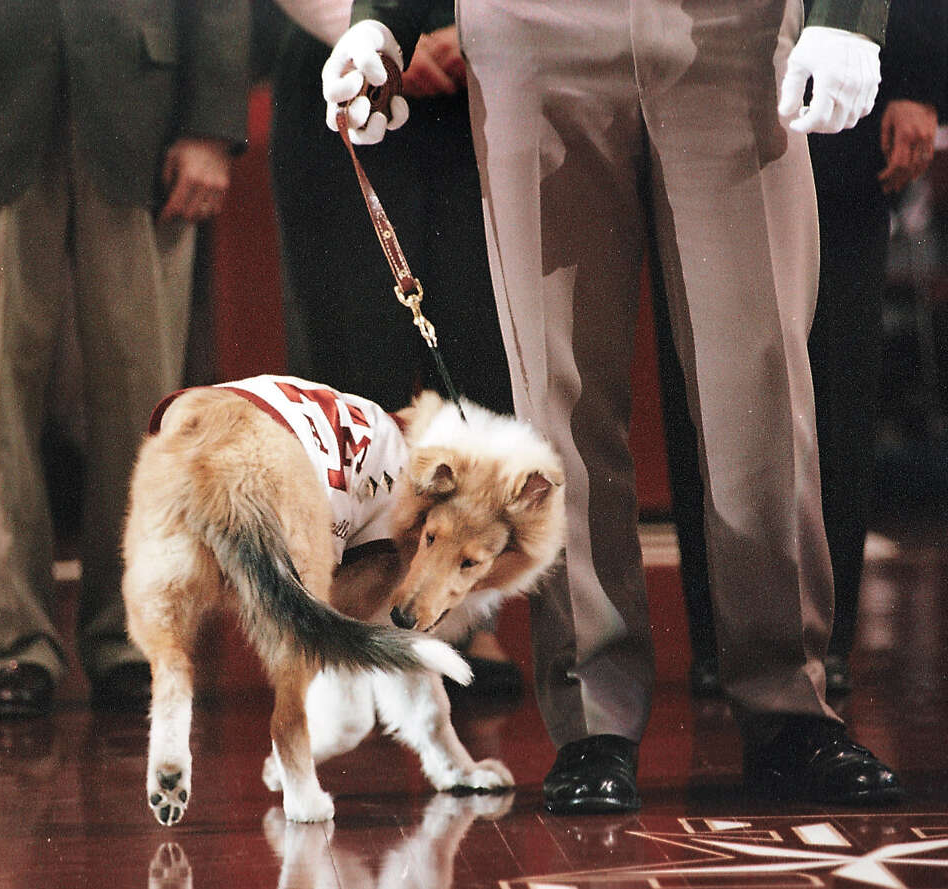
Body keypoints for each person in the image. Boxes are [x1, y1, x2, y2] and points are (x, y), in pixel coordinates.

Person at [322, 0, 903, 810]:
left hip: (731, 30)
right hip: (531, 30)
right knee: (555, 397)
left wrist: (850, 14)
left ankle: (787, 704)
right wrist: (384, 15)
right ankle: (592, 713)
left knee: (761, 388)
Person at [0, 0, 250, 719]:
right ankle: (10, 639)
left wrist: (211, 120)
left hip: (146, 101)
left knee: (147, 399)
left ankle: (138, 631)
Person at [655, 0, 947, 699]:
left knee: (835, 379)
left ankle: (827, 634)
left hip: (846, 100)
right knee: (699, 372)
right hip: (700, 74)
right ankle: (716, 637)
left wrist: (915, 82)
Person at [269, 0, 521, 695]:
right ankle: (347, 622)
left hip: (486, 81)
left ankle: (470, 623)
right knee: (349, 378)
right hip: (341, 80)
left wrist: (475, 34)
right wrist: (381, 39)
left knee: (482, 369)